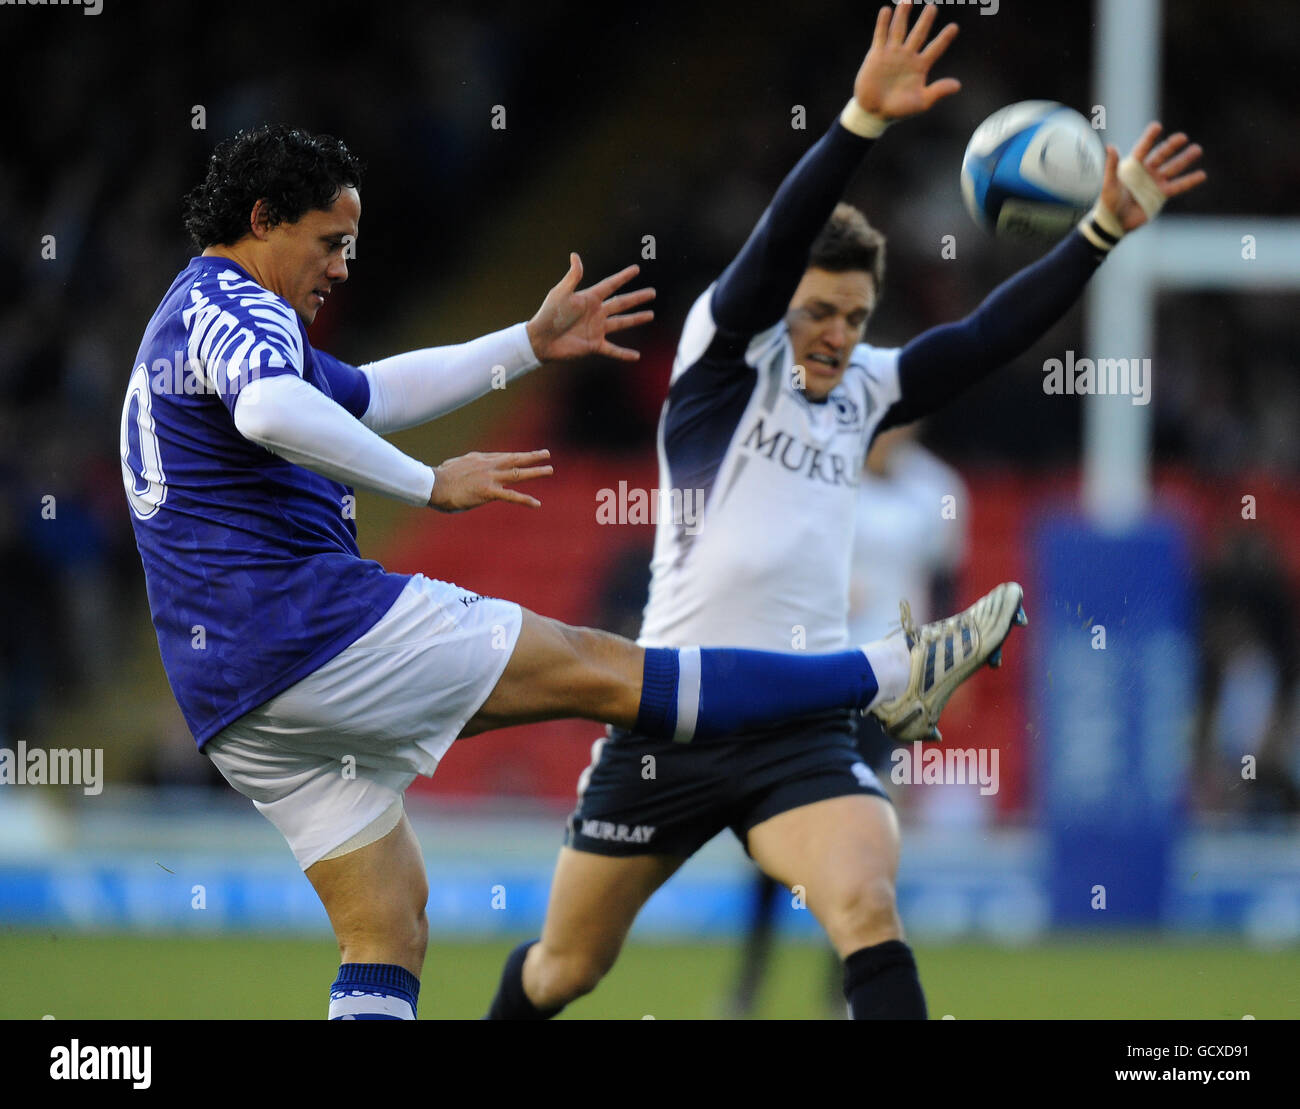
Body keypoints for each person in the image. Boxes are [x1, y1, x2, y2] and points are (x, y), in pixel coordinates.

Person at [120, 110, 1020, 1020]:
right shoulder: (233, 305)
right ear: (266, 217)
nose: (344, 267)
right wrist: (427, 483)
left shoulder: (193, 321)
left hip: (233, 701)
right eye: (331, 242)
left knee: (386, 925)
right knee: (607, 668)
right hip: (306, 631)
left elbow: (376, 392)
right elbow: (271, 414)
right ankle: (889, 672)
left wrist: (523, 346)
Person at [486, 1, 1205, 1020]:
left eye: (855, 316)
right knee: (566, 967)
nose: (834, 334)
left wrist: (1097, 232)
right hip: (672, 717)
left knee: (867, 903)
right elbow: (779, 240)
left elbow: (989, 335)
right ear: (780, 306)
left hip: (801, 718)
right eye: (816, 311)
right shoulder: (721, 363)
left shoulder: (867, 387)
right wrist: (859, 123)